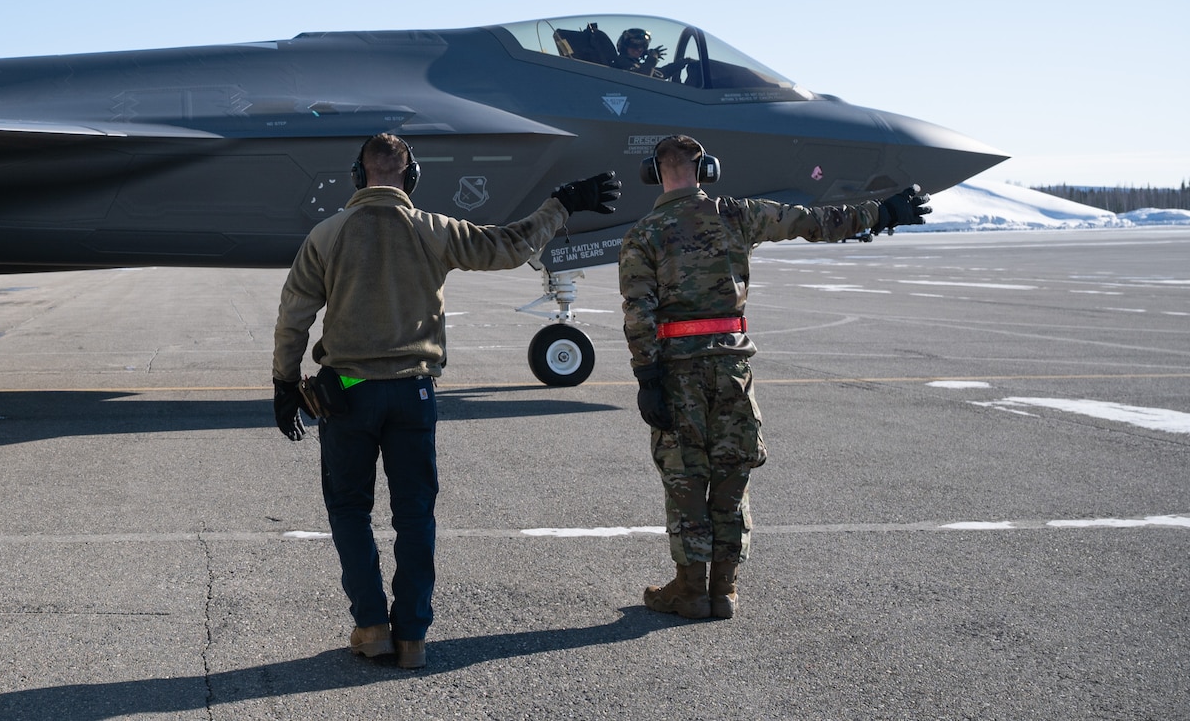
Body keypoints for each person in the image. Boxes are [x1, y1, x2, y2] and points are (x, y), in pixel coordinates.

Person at [272, 132, 620, 667]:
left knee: (349, 509)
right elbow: (508, 246)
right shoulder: (433, 229)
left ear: (358, 177)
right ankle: (411, 635)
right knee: (415, 516)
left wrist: (283, 383)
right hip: (414, 391)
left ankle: (370, 625)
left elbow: (295, 315)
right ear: (411, 178)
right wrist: (561, 205)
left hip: (347, 390)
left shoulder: (327, 233)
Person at [617, 134, 930, 620]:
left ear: (653, 172)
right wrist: (884, 213)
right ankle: (724, 590)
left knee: (685, 478)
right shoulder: (739, 214)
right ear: (707, 170)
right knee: (731, 475)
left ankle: (690, 589)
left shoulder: (643, 234)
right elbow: (816, 222)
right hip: (733, 369)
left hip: (677, 374)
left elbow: (638, 313)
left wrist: (647, 378)